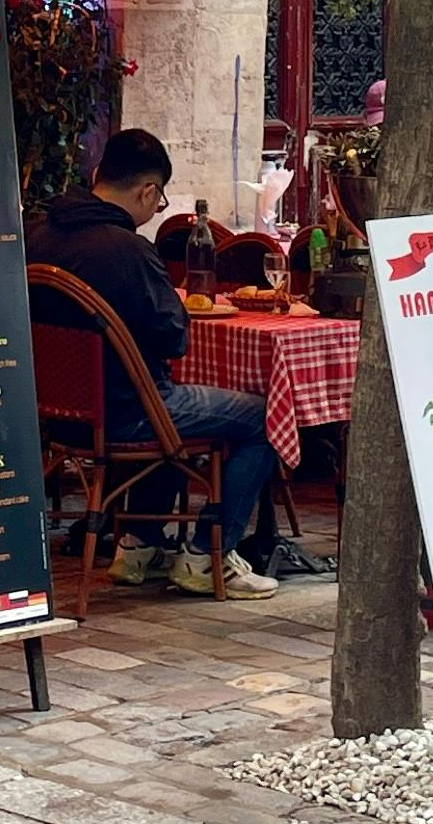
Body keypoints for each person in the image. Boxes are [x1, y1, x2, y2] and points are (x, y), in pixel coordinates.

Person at [29, 127, 280, 599]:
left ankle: (138, 546)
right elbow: (172, 337)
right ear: (148, 190)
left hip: (60, 420)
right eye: (157, 200)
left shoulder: (38, 237)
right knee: (267, 417)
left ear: (99, 174)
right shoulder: (127, 251)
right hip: (132, 414)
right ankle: (210, 557)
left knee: (167, 399)